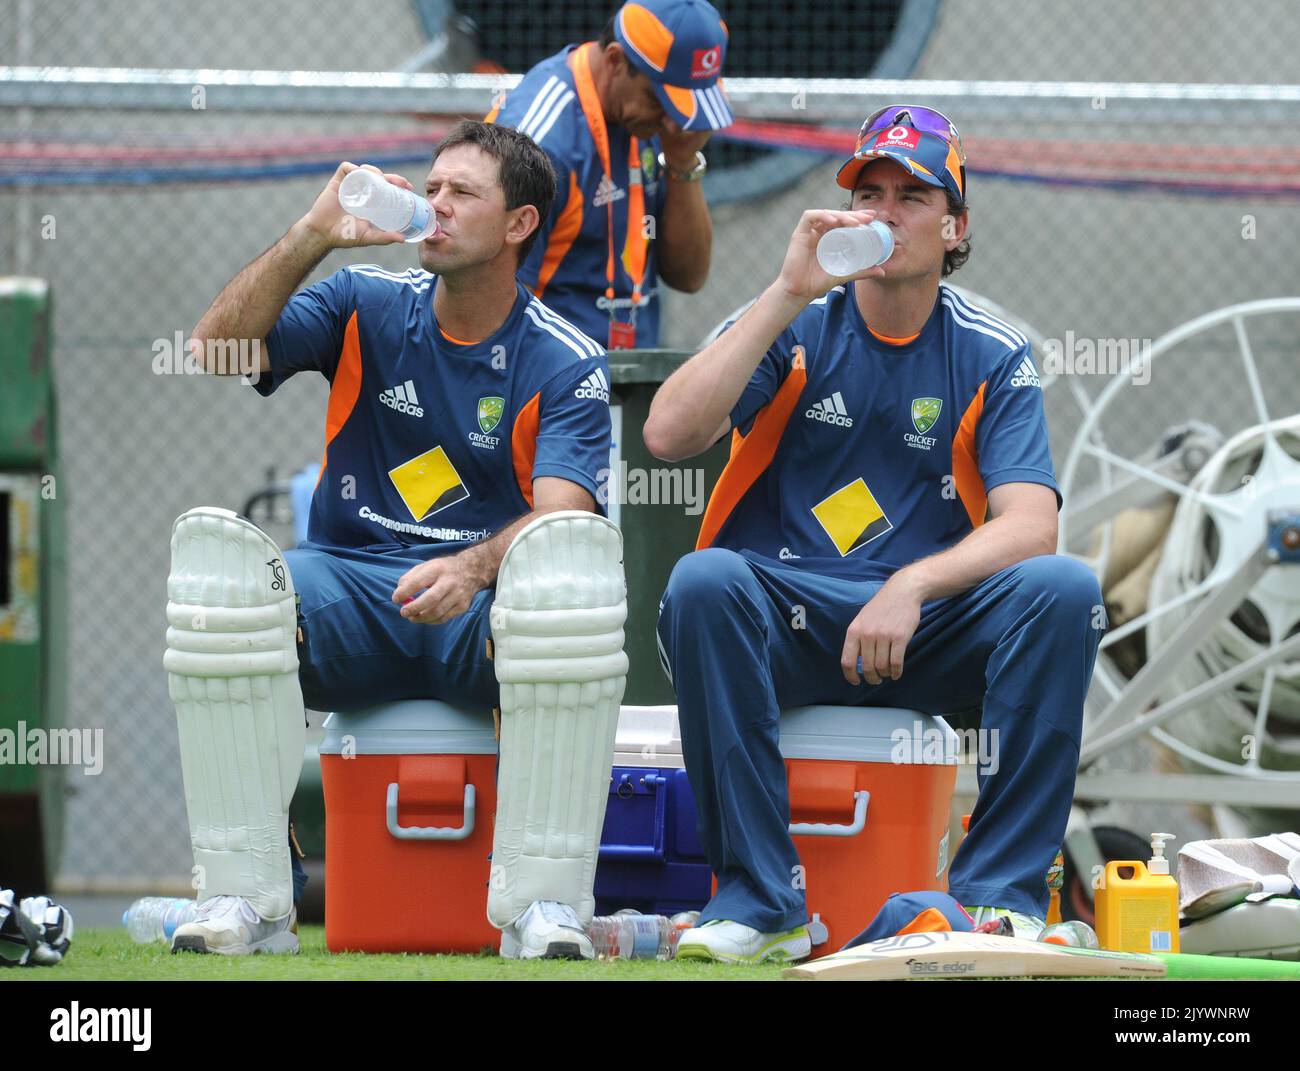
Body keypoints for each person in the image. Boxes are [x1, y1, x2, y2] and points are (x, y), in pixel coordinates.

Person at [645, 106, 1105, 963]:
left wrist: (911, 585)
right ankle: (759, 901)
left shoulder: (992, 349)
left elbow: (1032, 525)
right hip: (789, 617)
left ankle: (995, 903)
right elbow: (668, 436)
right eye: (869, 193)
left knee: (1065, 588)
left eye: (911, 195)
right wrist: (785, 291)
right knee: (703, 579)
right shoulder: (790, 321)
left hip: (925, 628)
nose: (884, 212)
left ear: (955, 225)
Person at [166, 120, 627, 958]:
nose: (434, 206)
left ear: (520, 225)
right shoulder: (364, 301)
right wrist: (314, 233)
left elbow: (564, 519)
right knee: (226, 584)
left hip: (478, 615)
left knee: (570, 579)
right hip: (350, 591)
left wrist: (477, 564)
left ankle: (544, 905)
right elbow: (212, 349)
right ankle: (250, 897)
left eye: (462, 194)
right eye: (432, 186)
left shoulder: (566, 359)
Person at [487, 0, 732, 350]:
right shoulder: (539, 142)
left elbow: (688, 276)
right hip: (550, 382)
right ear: (616, 60)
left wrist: (682, 161)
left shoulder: (647, 121)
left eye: (685, 106)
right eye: (661, 99)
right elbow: (490, 300)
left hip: (629, 379)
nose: (674, 122)